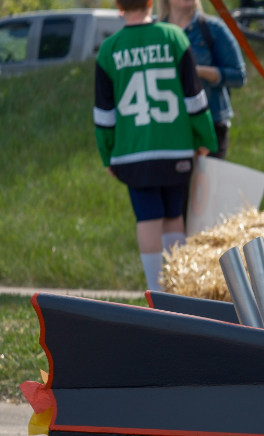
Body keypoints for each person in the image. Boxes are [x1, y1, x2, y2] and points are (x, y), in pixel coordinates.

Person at [94, 0, 217, 291]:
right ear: (151, 3)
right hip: (175, 148)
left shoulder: (109, 49)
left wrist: (107, 153)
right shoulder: (173, 36)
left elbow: (104, 113)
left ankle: (156, 291)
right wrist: (205, 138)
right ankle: (177, 290)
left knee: (147, 218)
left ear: (118, 5)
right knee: (174, 216)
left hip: (132, 152)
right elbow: (194, 98)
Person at [159, 0, 246, 160]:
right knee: (175, 185)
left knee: (207, 185)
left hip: (210, 123)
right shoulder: (156, 33)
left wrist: (198, 72)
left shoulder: (213, 29)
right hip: (167, 127)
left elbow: (239, 76)